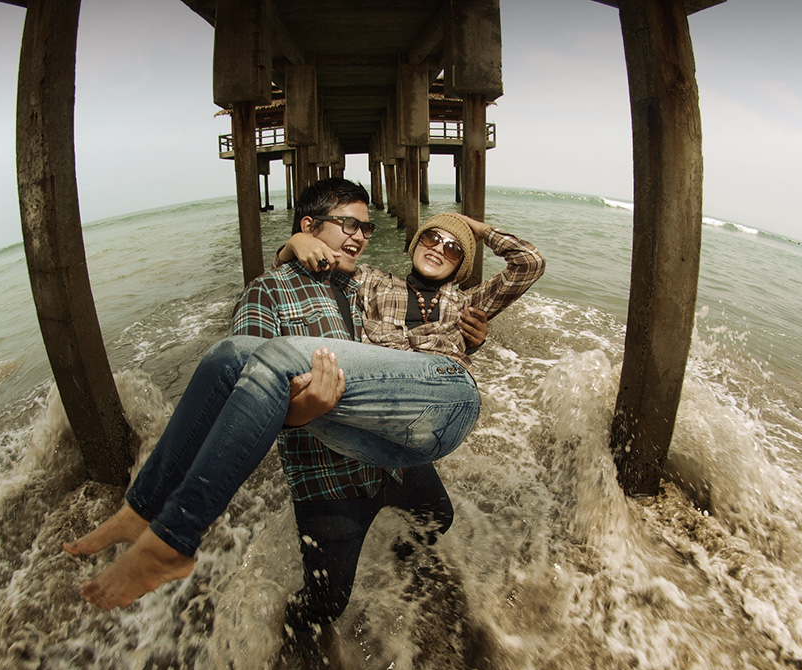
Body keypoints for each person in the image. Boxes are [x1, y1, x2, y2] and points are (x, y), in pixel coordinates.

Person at [67, 180, 544, 610]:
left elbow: (529, 264)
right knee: (228, 356)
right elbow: (305, 274)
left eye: (365, 228)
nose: (358, 236)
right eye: (348, 226)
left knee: (274, 359)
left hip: (428, 416)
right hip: (348, 451)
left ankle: (174, 537)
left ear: (462, 265)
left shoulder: (461, 302)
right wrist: (291, 245)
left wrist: (470, 228)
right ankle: (143, 509)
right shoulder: (374, 285)